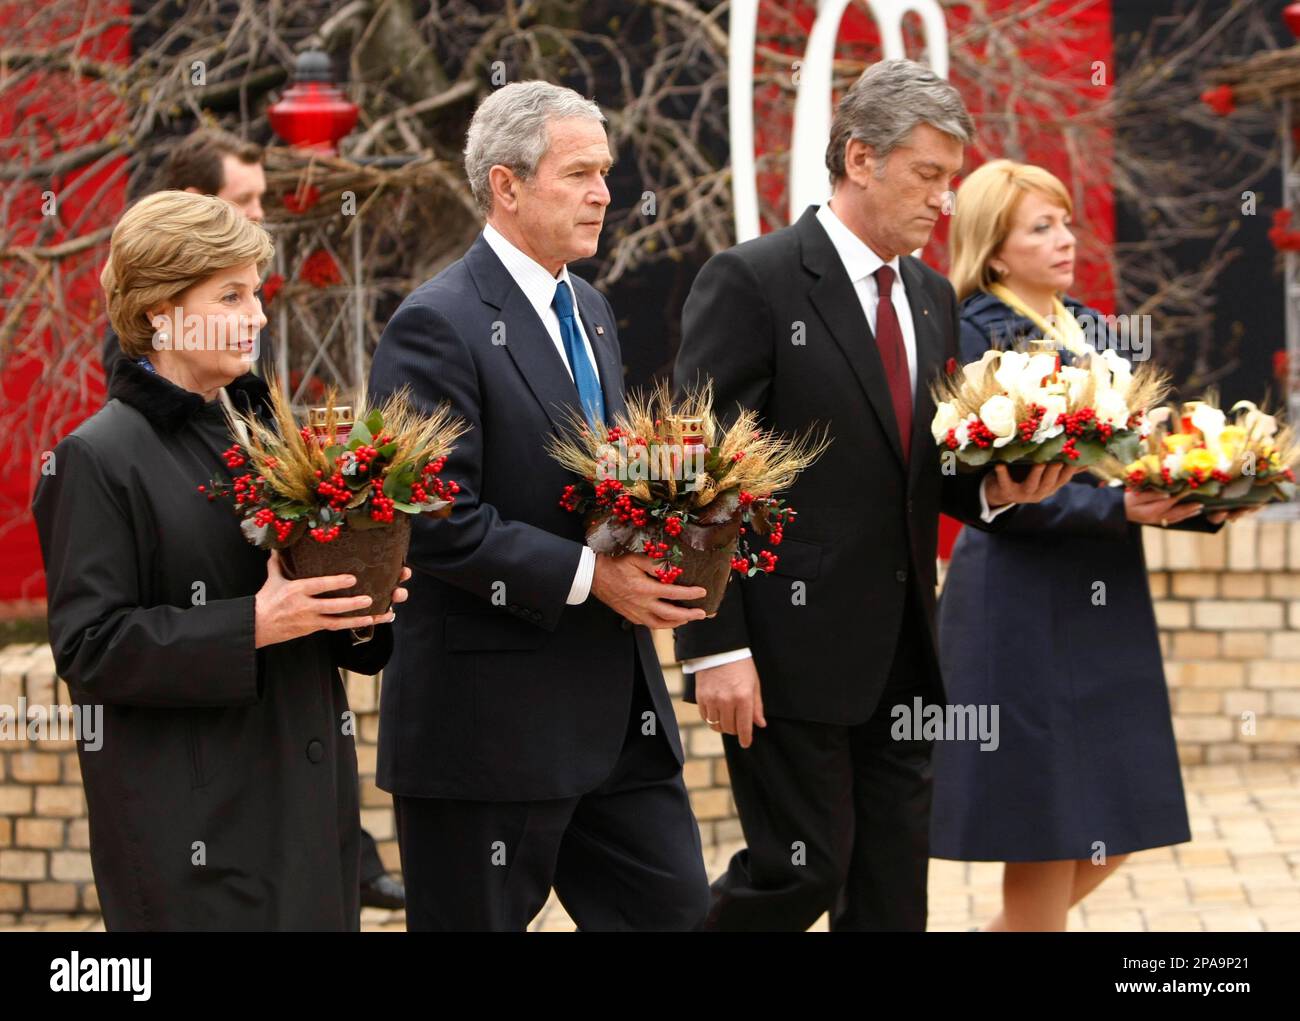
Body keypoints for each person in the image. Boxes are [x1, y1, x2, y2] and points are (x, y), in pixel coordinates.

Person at [671, 59, 1078, 932]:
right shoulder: (751, 281)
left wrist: (1003, 490)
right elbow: (696, 476)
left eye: (951, 179)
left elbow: (921, 469)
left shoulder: (932, 296)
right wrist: (715, 646)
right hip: (784, 654)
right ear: (861, 160)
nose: (944, 201)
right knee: (799, 875)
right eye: (928, 175)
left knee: (895, 899)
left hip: (904, 654)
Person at [367, 81, 712, 931]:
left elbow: (594, 483)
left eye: (606, 172)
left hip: (620, 725)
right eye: (580, 173)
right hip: (487, 733)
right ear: (506, 185)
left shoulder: (590, 309)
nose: (604, 193)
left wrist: (678, 516)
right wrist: (594, 574)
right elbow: (436, 518)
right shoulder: (434, 324)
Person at [33, 190, 407, 930]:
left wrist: (359, 600)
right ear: (160, 312)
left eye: (257, 292)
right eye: (231, 295)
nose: (259, 315)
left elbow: (295, 602)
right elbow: (89, 647)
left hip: (305, 818)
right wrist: (253, 625)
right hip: (198, 842)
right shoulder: (97, 457)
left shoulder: (261, 435)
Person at [931, 158, 1240, 931]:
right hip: (1018, 599)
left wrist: (1209, 493)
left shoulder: (1100, 329)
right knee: (1046, 829)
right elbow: (994, 491)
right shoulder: (970, 332)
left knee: (1117, 819)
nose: (1067, 238)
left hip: (1104, 597)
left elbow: (1135, 467)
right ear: (995, 249)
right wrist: (1121, 510)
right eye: (1042, 227)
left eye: (1066, 221)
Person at [100, 128, 276, 383]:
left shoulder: (246, 283)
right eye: (243, 199)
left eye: (260, 198)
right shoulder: (148, 280)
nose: (258, 212)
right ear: (195, 199)